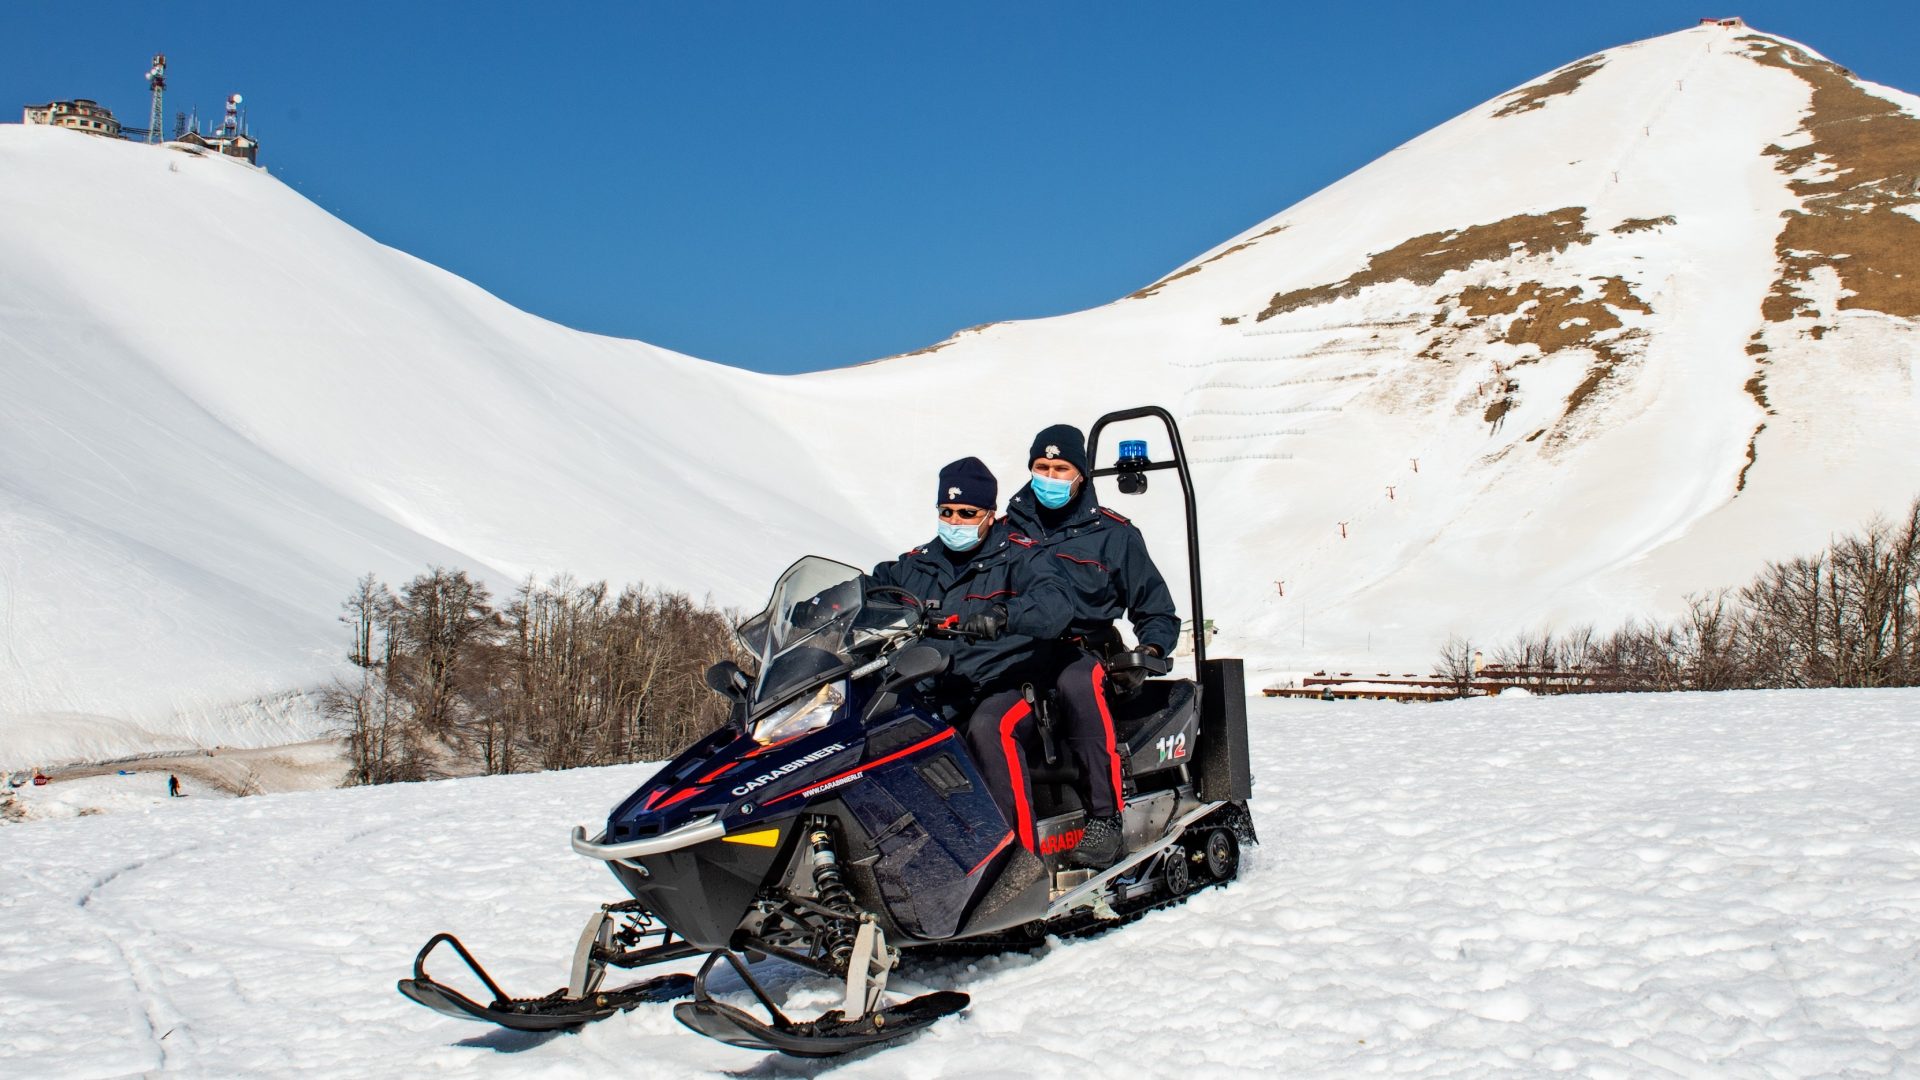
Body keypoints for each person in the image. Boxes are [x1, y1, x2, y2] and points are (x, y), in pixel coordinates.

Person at [867, 458, 1080, 854]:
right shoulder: (918, 564)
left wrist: (1005, 614)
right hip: (934, 690)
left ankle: (1019, 863)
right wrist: (825, 605)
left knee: (989, 728)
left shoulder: (1020, 557)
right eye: (946, 512)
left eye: (967, 513)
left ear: (990, 515)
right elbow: (874, 588)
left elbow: (1056, 604)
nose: (955, 521)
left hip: (1010, 689)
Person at [998, 423, 1180, 867]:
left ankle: (1104, 818)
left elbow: (1156, 609)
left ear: (1081, 475)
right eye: (1042, 466)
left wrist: (1150, 652)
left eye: (1061, 468)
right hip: (1014, 651)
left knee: (1079, 682)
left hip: (1083, 652)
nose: (1050, 476)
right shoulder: (1005, 531)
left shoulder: (1114, 535)